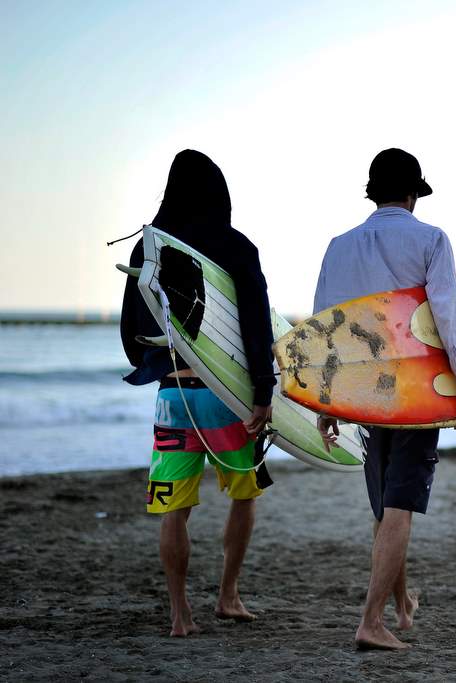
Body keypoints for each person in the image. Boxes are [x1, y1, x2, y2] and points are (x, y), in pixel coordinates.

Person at [315, 148, 456, 650]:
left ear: (374, 194)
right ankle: (371, 622)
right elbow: (447, 315)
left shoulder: (338, 247)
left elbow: (323, 329)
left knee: (387, 506)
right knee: (400, 505)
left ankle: (402, 606)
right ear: (412, 195)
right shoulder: (430, 239)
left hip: (364, 394)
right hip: (414, 393)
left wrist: (325, 401)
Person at [119, 149, 276, 637]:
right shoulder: (235, 246)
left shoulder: (148, 247)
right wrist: (264, 390)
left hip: (174, 398)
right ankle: (228, 595)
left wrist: (151, 364)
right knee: (244, 495)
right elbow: (255, 324)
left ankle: (179, 614)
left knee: (174, 508)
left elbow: (133, 327)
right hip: (226, 400)